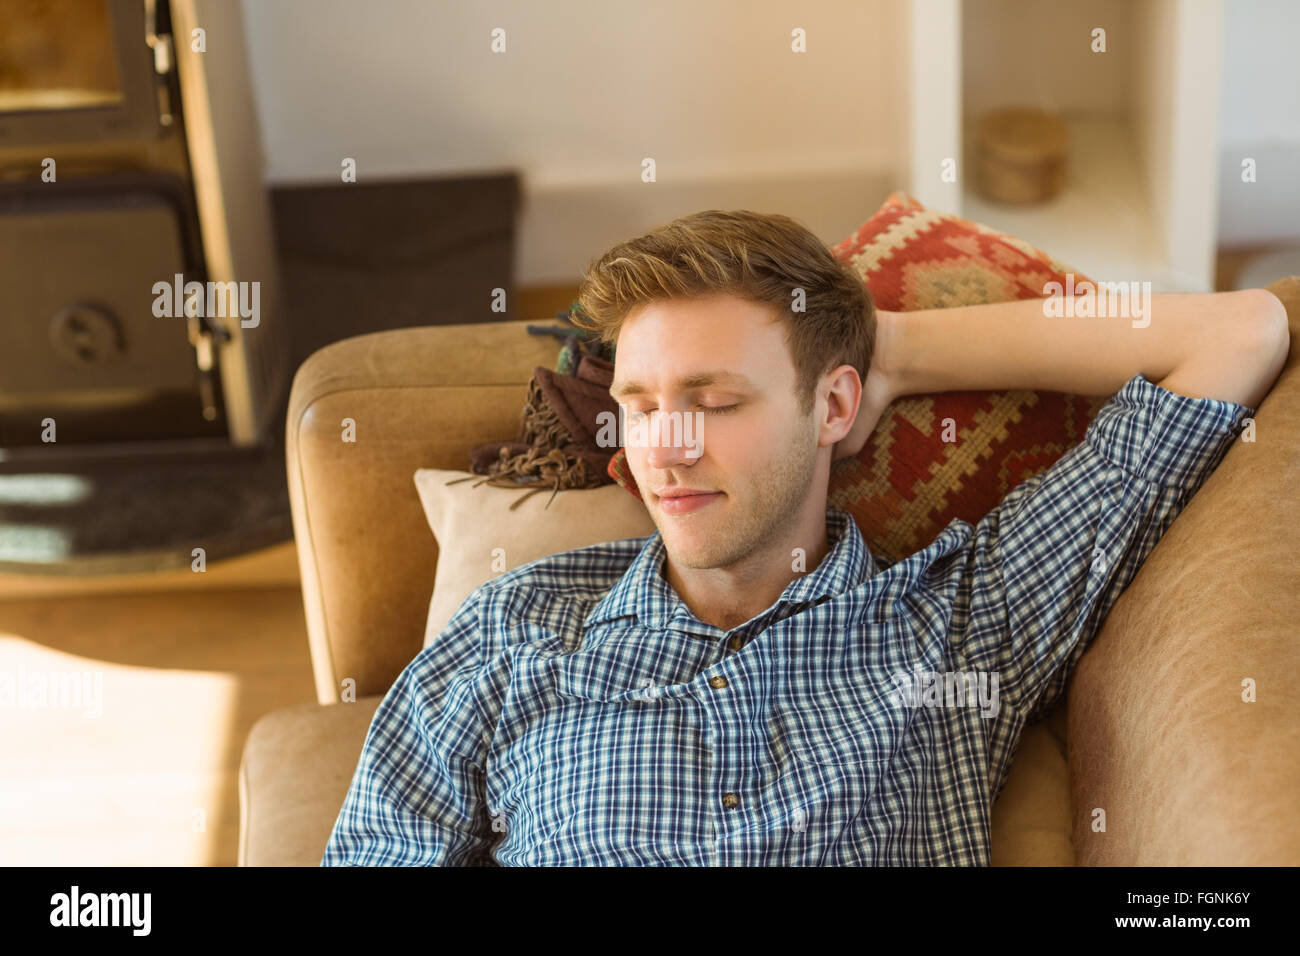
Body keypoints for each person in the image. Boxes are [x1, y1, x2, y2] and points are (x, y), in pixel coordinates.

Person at [321, 209, 1288, 865]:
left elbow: (1240, 334)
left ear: (833, 406)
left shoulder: (964, 623)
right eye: (641, 406)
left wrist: (894, 352)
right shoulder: (515, 629)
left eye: (716, 401)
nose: (667, 449)